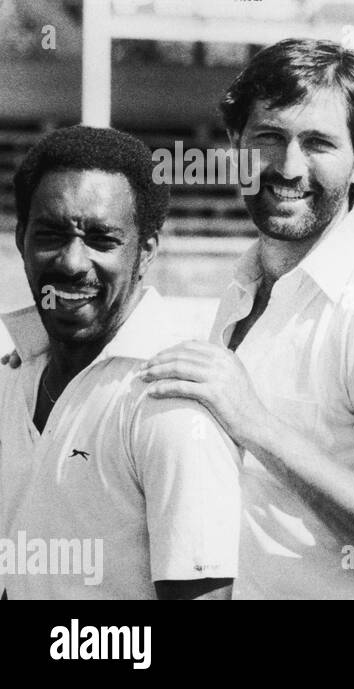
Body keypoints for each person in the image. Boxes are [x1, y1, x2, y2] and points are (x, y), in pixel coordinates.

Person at [140, 38, 354, 599]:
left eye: (317, 143)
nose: (288, 168)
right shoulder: (244, 286)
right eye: (269, 138)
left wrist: (257, 425)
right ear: (237, 146)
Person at [0, 126, 240, 599]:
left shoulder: (171, 402)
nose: (72, 262)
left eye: (102, 239)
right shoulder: (12, 377)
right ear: (21, 237)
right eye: (50, 234)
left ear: (145, 251)